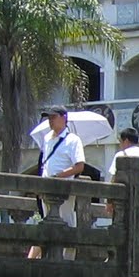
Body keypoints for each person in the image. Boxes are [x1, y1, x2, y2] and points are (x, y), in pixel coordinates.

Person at [31, 105, 86, 259]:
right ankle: (47, 257)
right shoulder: (47, 138)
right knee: (46, 222)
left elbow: (79, 166)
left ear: (63, 118)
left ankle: (68, 259)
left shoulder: (73, 140)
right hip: (47, 187)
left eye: (53, 117)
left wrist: (60, 176)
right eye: (49, 118)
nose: (50, 121)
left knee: (67, 222)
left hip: (64, 188)